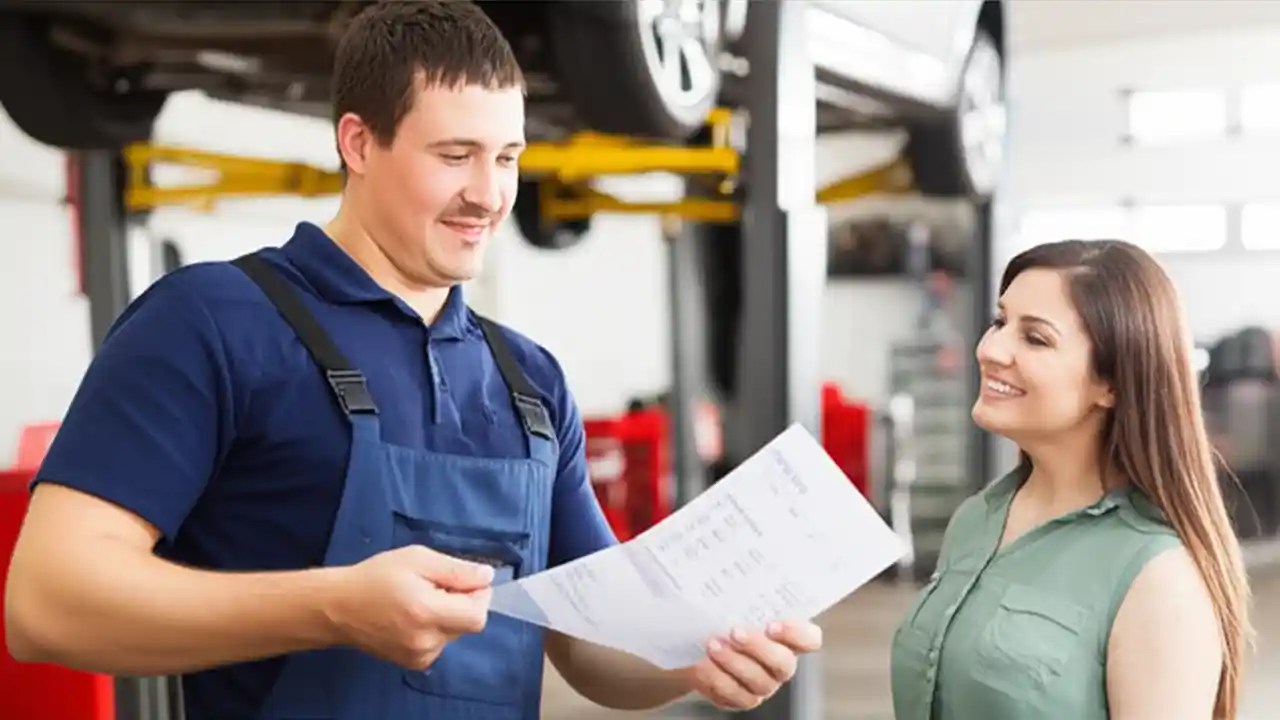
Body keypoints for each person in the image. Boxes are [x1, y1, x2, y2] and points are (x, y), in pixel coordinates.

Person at [3, 2, 821, 718]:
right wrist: (331, 606)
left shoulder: (529, 383)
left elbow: (591, 647)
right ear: (358, 143)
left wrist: (694, 660)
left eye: (506, 158)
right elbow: (48, 603)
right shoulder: (214, 323)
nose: (489, 195)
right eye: (455, 154)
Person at [890, 239, 1253, 720]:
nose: (991, 349)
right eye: (1000, 322)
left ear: (1112, 383)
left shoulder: (1159, 580)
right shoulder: (975, 520)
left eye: (1035, 338)